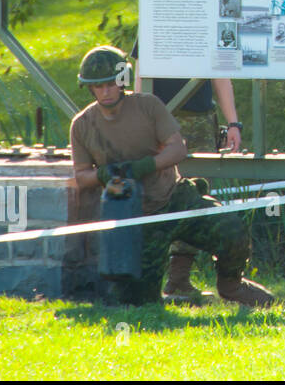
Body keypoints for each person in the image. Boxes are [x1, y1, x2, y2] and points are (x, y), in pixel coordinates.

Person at [69, 45, 273, 307]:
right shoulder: (83, 125)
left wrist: (145, 166)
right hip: (136, 217)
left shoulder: (148, 106)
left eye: (111, 84)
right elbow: (82, 175)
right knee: (139, 301)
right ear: (89, 88)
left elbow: (178, 149)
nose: (106, 91)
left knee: (231, 229)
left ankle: (231, 286)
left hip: (175, 199)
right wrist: (105, 175)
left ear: (122, 82)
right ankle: (171, 289)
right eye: (99, 86)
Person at [131, 45, 244, 303]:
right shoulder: (155, 12)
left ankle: (179, 278)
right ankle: (149, 279)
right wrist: (141, 121)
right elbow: (141, 71)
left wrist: (233, 122)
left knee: (196, 197)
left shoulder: (204, 15)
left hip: (200, 120)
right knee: (157, 197)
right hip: (159, 119)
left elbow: (220, 74)